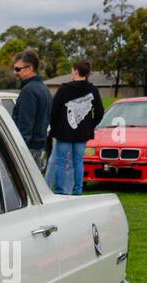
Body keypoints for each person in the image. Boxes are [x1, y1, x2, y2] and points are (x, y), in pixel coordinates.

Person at [46, 59, 105, 196]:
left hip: (64, 133)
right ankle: (78, 190)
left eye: (72, 70)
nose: (71, 72)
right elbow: (100, 112)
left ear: (76, 71)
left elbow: (54, 111)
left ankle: (59, 191)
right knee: (78, 162)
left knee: (60, 162)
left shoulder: (64, 89)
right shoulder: (92, 90)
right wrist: (90, 125)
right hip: (82, 134)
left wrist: (55, 128)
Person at [11, 50, 51, 170]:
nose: (15, 73)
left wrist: (19, 151)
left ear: (30, 68)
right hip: (38, 147)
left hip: (28, 150)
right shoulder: (43, 88)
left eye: (18, 69)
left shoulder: (29, 90)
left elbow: (25, 124)